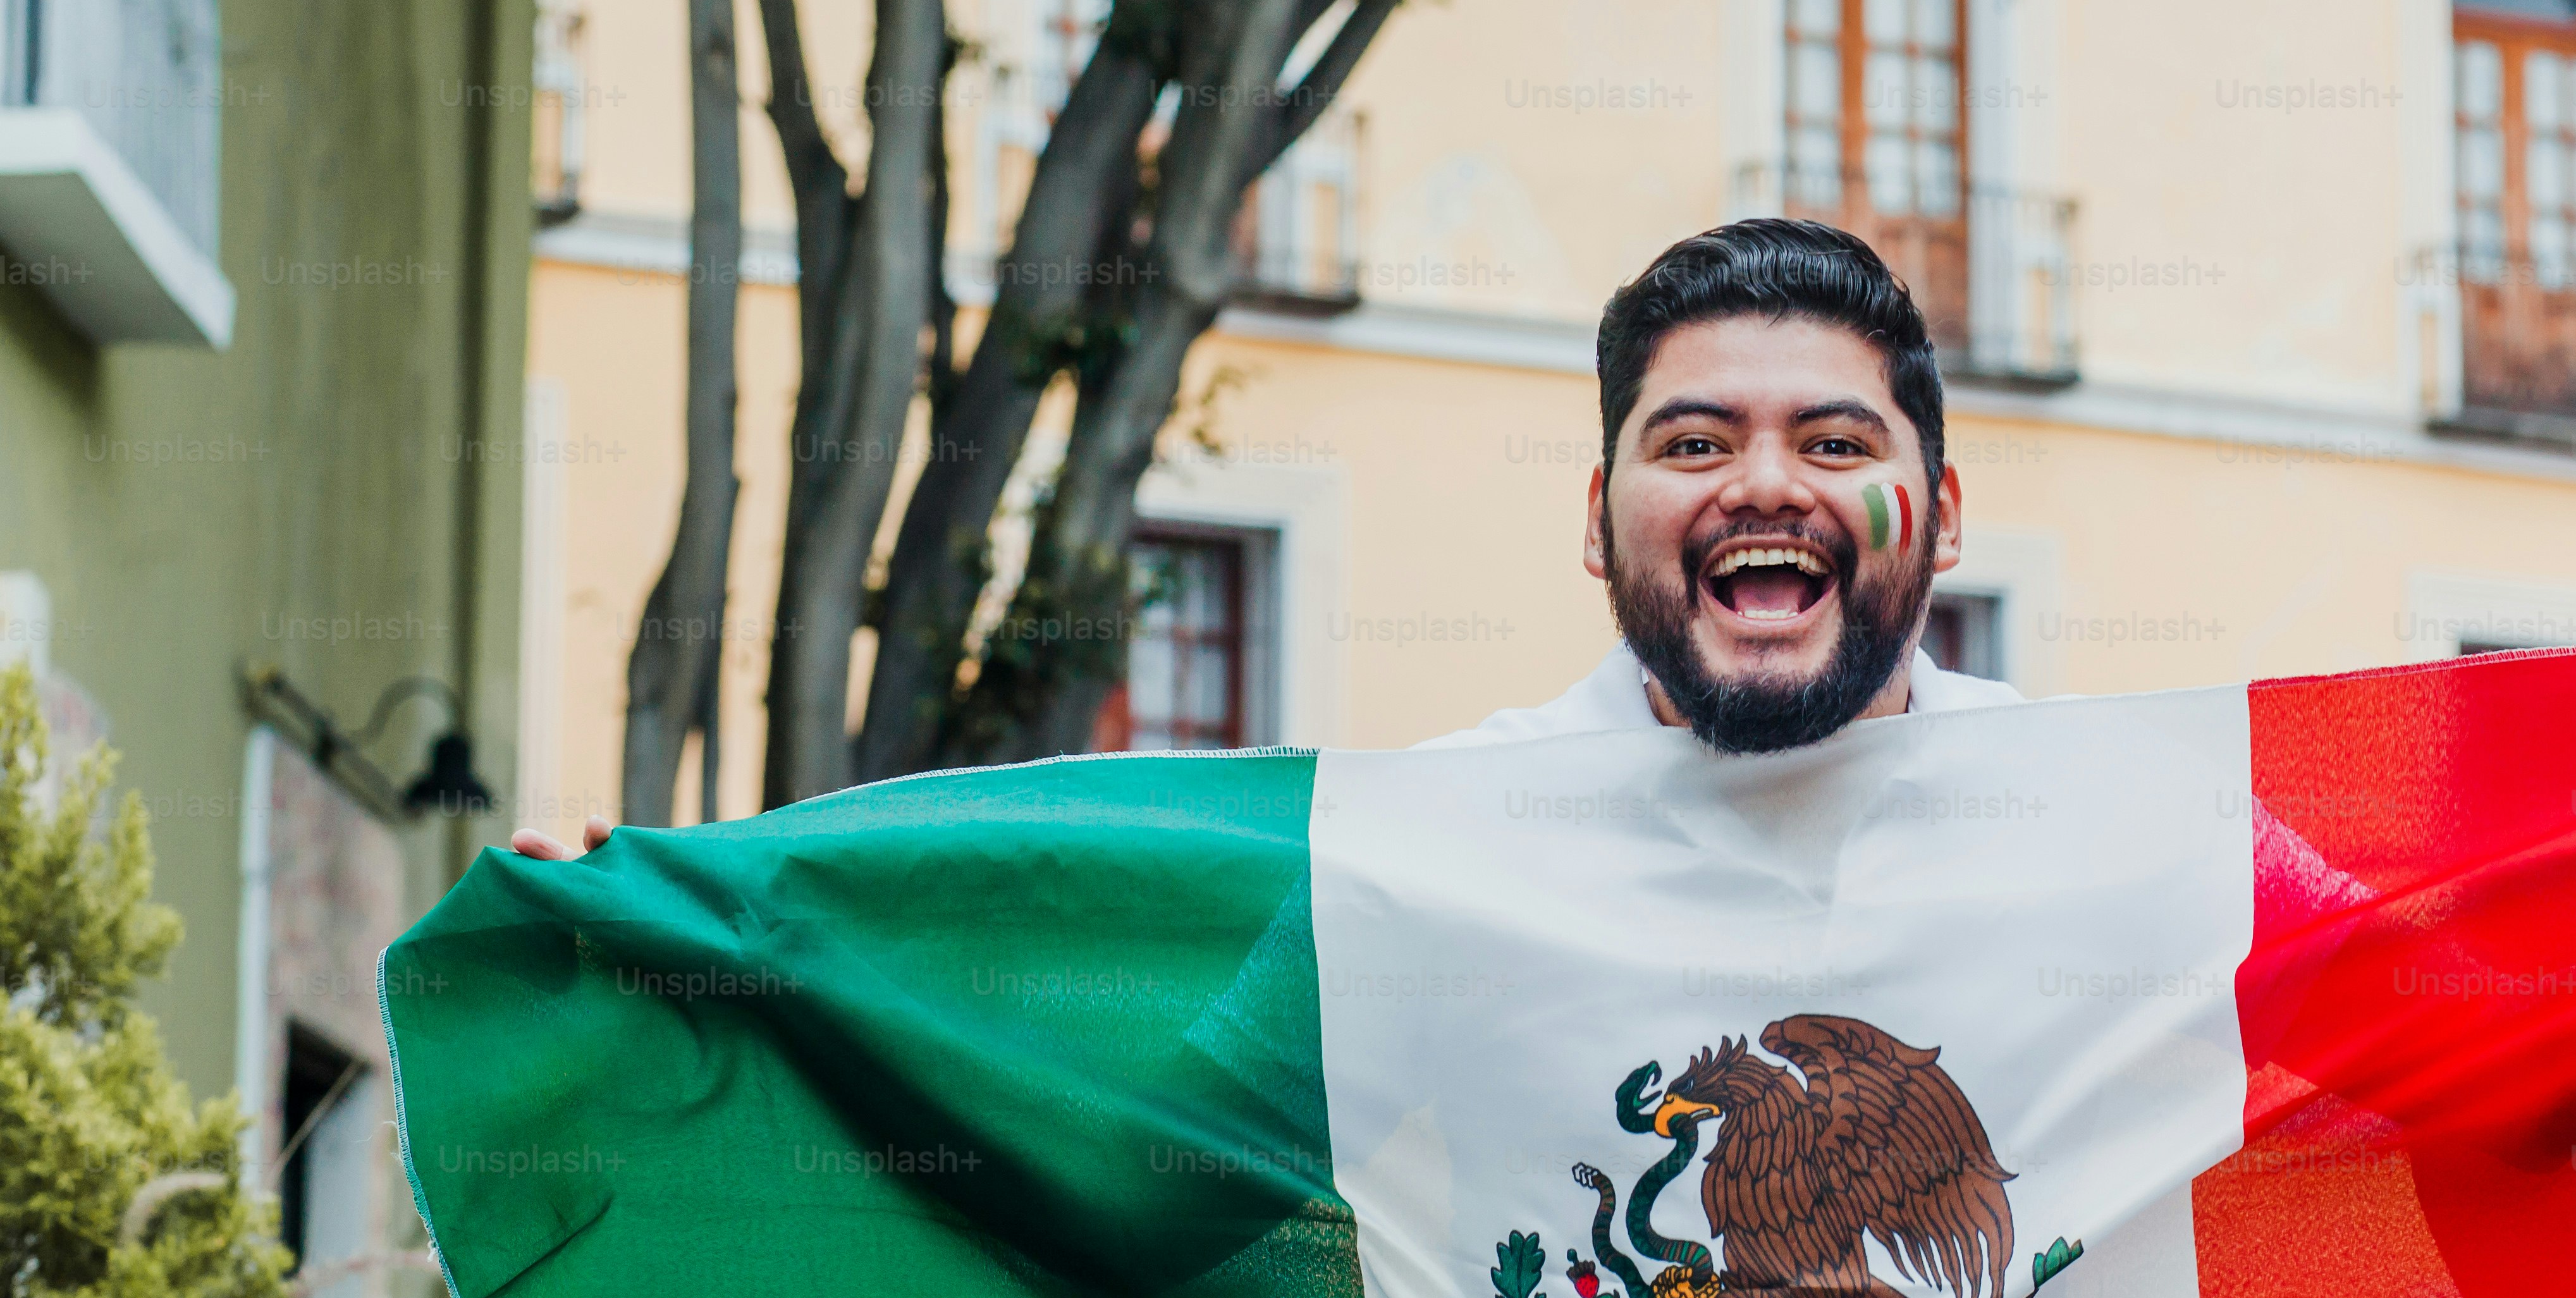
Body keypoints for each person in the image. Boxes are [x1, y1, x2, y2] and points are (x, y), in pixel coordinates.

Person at [507, 219, 2003, 859]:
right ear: (1600, 532)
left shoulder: (2121, 834)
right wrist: (693, 949)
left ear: (1937, 520)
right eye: (1690, 443)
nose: (1761, 483)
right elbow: (1061, 1088)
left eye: (1833, 441)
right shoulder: (1437, 849)